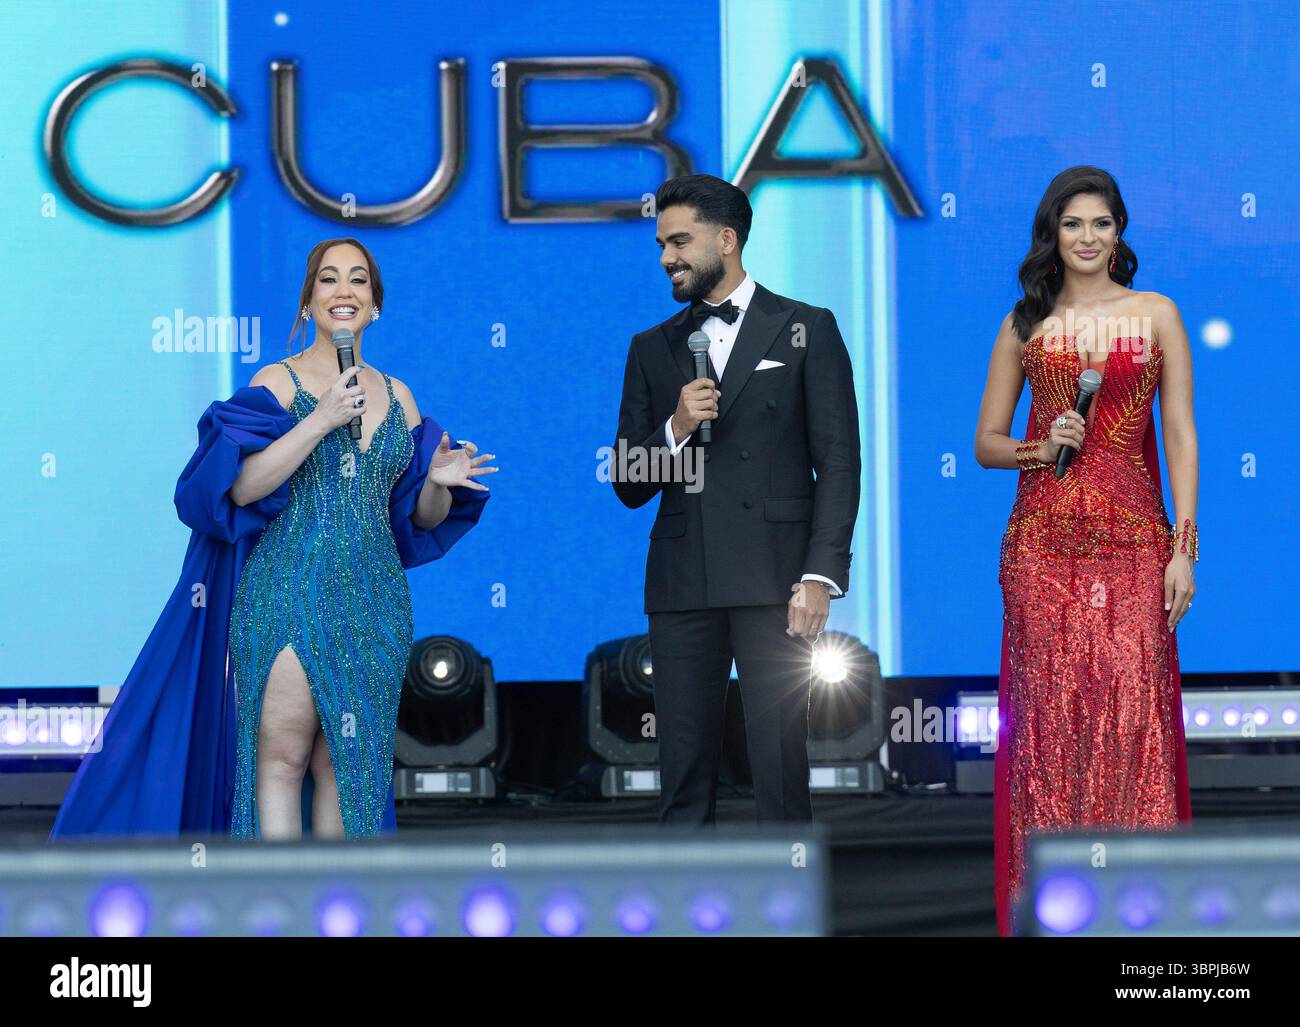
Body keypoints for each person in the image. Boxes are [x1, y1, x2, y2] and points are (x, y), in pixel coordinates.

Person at [49, 237, 493, 841]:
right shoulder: (278, 383)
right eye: (329, 279)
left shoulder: (400, 395)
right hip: (285, 592)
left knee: (350, 770)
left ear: (375, 304)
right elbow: (239, 488)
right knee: (280, 759)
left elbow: (422, 517)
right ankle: (274, 911)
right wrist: (320, 420)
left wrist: (439, 482)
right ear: (308, 302)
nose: (344, 291)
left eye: (358, 280)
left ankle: (343, 915)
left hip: (374, 600)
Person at [974, 167, 1197, 935]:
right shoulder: (1025, 323)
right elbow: (985, 444)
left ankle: (1141, 920)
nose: (1089, 238)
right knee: (1049, 726)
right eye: (1074, 225)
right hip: (1041, 546)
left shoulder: (1156, 313)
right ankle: (1050, 913)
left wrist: (1184, 549)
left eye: (1102, 223)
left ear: (1120, 232)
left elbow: (1179, 435)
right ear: (1052, 235)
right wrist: (1041, 446)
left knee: (1132, 720)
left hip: (1137, 543)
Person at [611, 173, 861, 824]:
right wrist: (675, 427)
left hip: (776, 578)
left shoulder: (807, 327)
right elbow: (627, 481)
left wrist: (819, 574)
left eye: (679, 241)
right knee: (684, 773)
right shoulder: (650, 347)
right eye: (661, 243)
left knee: (780, 769)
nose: (667, 256)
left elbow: (837, 460)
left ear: (726, 239)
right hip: (683, 581)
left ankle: (790, 915)